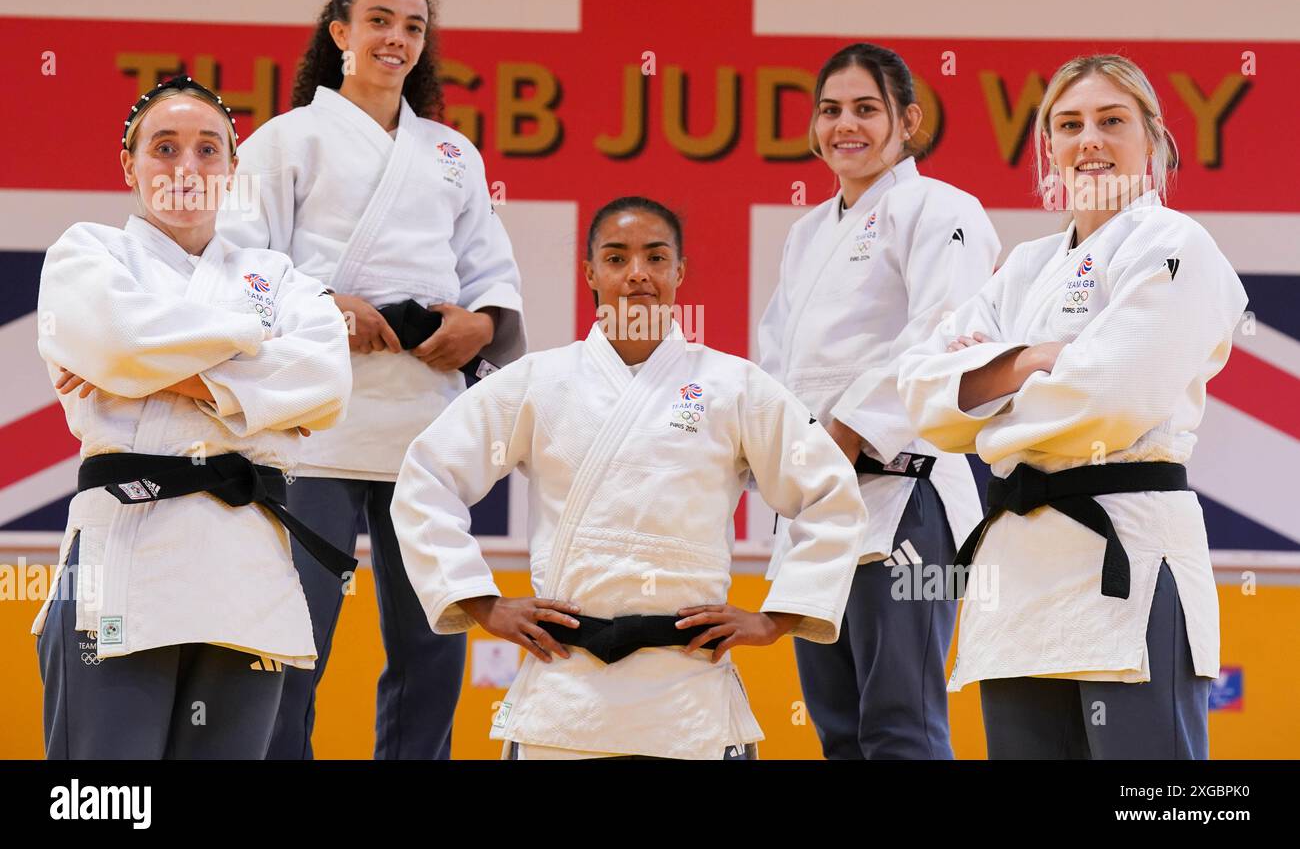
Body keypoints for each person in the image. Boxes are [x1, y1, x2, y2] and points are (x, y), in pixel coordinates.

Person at [390, 197, 869, 759]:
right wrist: (481, 601)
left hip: (690, 701)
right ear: (590, 273)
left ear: (679, 272)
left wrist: (778, 617)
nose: (637, 273)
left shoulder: (732, 386)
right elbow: (427, 476)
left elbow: (832, 493)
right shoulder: (540, 381)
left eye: (655, 257)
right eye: (616, 258)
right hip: (564, 701)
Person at [897, 54, 1248, 759]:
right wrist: (1030, 360)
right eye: (1069, 124)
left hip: (1126, 554)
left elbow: (1110, 395)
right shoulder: (1025, 266)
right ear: (1048, 147)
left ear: (1152, 141)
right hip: (1020, 571)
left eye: (1111, 121)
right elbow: (921, 394)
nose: (1088, 138)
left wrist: (989, 404)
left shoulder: (1176, 245)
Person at [218, 0, 526, 760]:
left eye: (414, 27)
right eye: (380, 21)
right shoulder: (284, 140)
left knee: (434, 634)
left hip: (423, 418)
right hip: (315, 420)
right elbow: (242, 268)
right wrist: (323, 310)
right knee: (297, 633)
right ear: (341, 34)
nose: (397, 39)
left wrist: (484, 325)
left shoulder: (453, 154)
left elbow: (489, 270)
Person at [33, 76, 353, 758]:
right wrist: (254, 351)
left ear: (233, 171)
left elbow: (326, 382)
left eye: (209, 150)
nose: (187, 168)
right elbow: (117, 339)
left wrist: (149, 371)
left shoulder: (279, 276)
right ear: (130, 164)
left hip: (247, 563)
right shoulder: (87, 252)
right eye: (165, 147)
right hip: (121, 546)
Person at [757, 43, 999, 758]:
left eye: (866, 109)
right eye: (830, 111)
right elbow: (778, 361)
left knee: (901, 724)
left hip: (906, 499)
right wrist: (779, 449)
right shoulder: (807, 233)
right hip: (816, 505)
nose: (845, 126)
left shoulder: (943, 208)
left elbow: (947, 332)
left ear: (908, 120)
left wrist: (849, 429)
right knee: (839, 727)